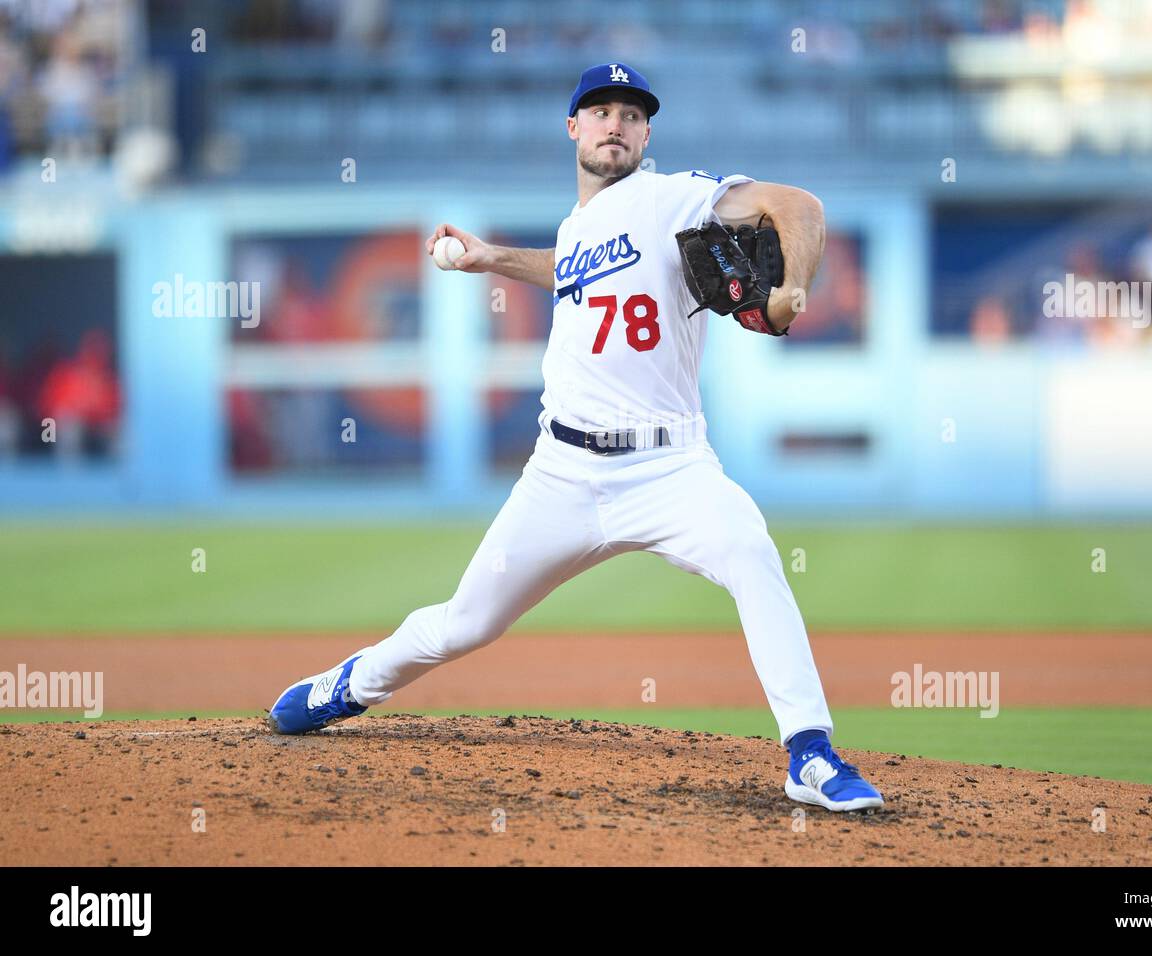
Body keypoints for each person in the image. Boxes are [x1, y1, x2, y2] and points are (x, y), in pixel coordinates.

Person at [267, 63, 884, 813]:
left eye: (631, 113)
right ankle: (349, 685)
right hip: (560, 472)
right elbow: (573, 271)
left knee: (751, 551)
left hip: (670, 468)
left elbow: (798, 205)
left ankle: (810, 754)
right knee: (465, 623)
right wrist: (493, 258)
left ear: (647, 133)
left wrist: (793, 288)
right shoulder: (581, 226)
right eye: (599, 111)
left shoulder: (670, 196)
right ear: (574, 128)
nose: (615, 123)